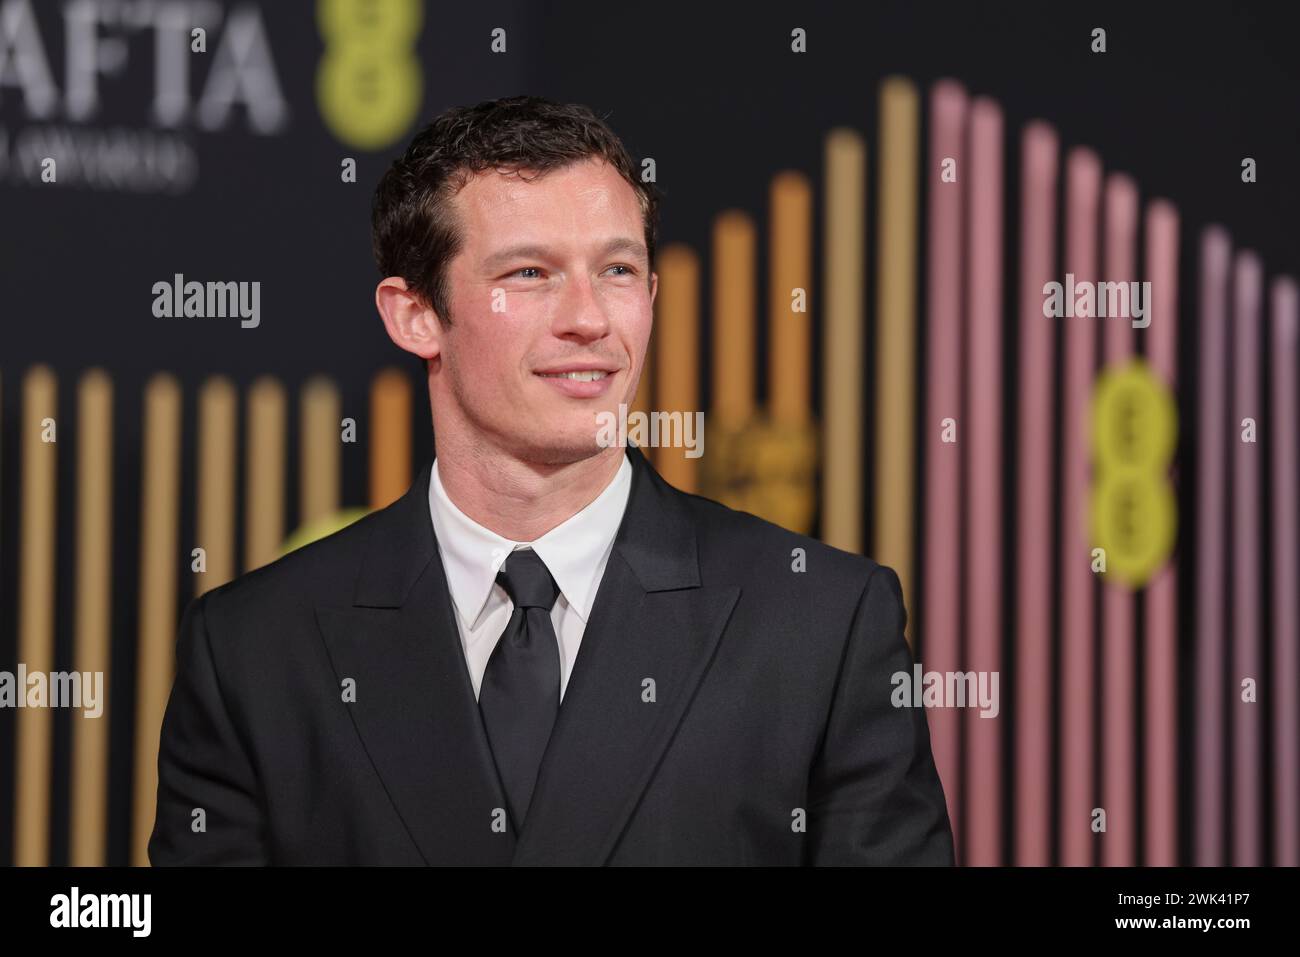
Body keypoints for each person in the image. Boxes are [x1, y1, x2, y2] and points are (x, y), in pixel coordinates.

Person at [149, 95, 954, 865]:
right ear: (414, 314)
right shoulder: (255, 650)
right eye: (531, 273)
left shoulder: (822, 625)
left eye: (618, 270)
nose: (590, 319)